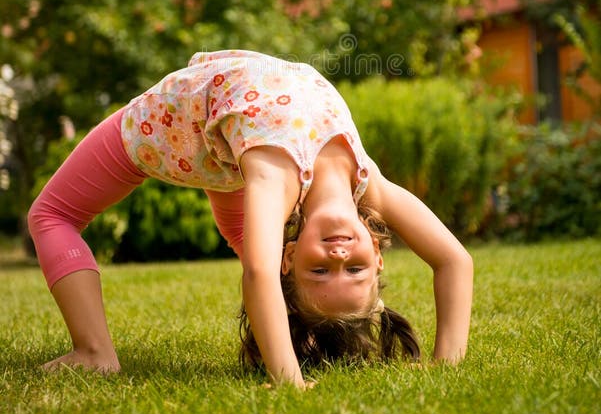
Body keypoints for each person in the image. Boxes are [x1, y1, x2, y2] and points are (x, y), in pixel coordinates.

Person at [28, 49, 473, 388]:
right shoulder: (366, 181)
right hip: (229, 133)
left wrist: (288, 381)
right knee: (250, 240)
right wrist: (446, 364)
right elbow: (455, 261)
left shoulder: (275, 178)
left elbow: (262, 271)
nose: (339, 254)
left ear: (292, 254)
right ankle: (298, 335)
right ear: (376, 252)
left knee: (50, 216)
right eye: (353, 267)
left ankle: (93, 351)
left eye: (320, 269)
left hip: (169, 128)